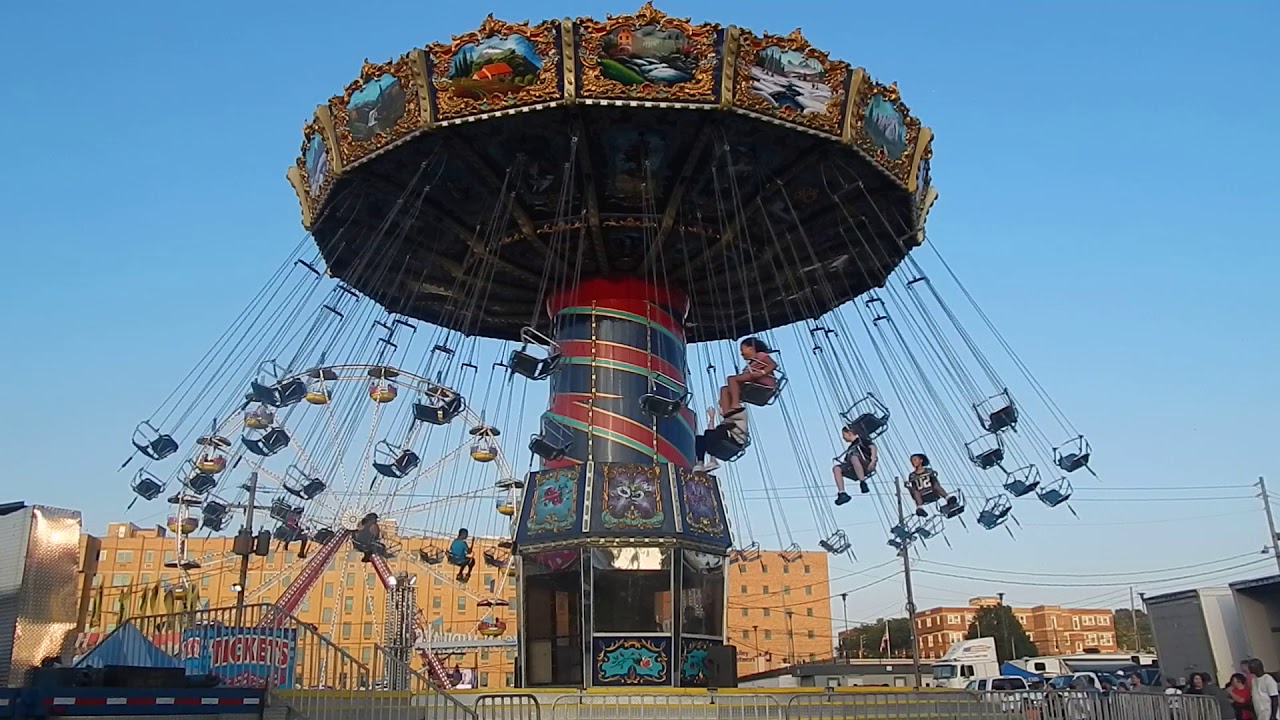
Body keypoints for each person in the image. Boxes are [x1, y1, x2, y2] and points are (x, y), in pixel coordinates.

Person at [719, 337, 777, 417]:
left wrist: (762, 372)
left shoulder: (760, 355)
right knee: (724, 389)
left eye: (742, 350)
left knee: (731, 379)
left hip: (762, 381)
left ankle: (736, 404)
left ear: (751, 348)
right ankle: (727, 412)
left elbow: (773, 364)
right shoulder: (751, 363)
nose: (741, 353)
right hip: (753, 380)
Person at [693, 407, 747, 472]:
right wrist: (711, 417)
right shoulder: (724, 425)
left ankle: (713, 460)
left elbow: (711, 432)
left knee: (713, 433)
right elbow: (711, 432)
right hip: (723, 440)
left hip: (733, 441)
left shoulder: (734, 418)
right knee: (700, 439)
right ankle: (700, 462)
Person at [831, 425, 876, 505]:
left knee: (854, 458)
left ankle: (863, 482)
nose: (843, 437)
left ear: (850, 433)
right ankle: (842, 493)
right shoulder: (850, 448)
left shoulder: (861, 440)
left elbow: (873, 447)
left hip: (865, 463)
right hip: (853, 467)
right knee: (836, 468)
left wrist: (873, 460)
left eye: (844, 434)